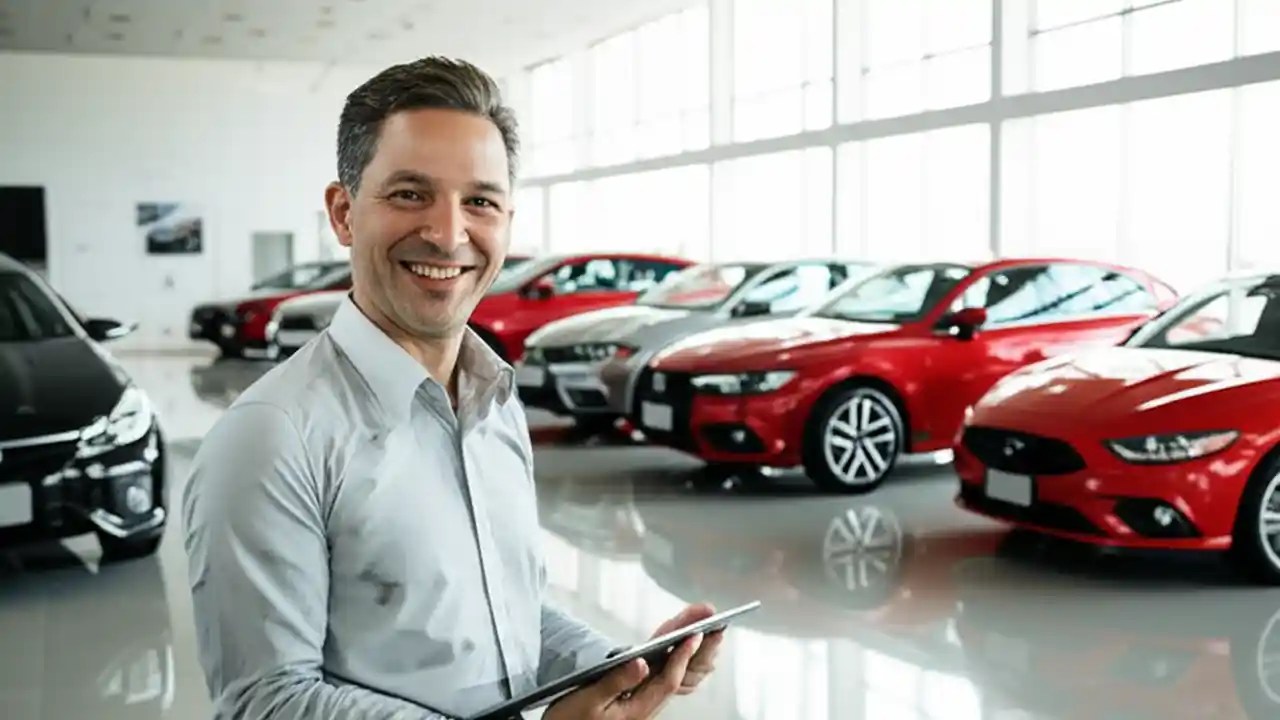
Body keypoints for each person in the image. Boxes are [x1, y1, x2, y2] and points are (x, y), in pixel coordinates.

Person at [182, 56, 723, 719]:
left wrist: (619, 667)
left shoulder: (495, 402)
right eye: (410, 193)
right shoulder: (270, 436)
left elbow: (500, 611)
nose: (447, 233)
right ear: (344, 213)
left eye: (480, 202)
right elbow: (266, 701)